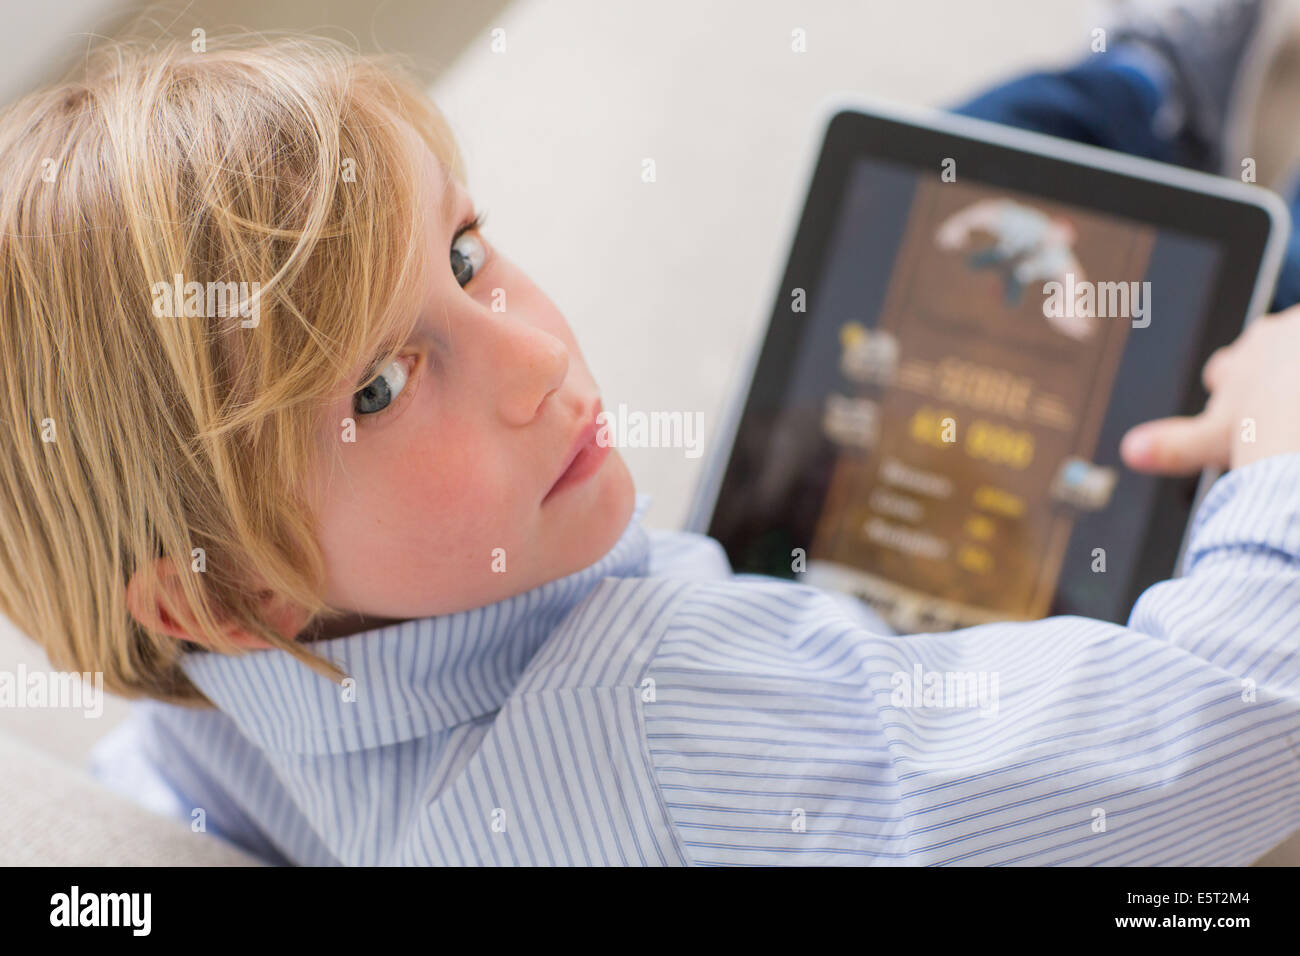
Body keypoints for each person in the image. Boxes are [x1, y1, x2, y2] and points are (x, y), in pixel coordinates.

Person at [0, 4, 1296, 865]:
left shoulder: (210, 700)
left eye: (465, 253)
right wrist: (1280, 464)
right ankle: (1149, 91)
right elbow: (1221, 735)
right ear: (218, 592)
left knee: (956, 191)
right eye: (383, 388)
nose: (535, 357)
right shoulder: (660, 721)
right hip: (907, 692)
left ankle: (1147, 86)